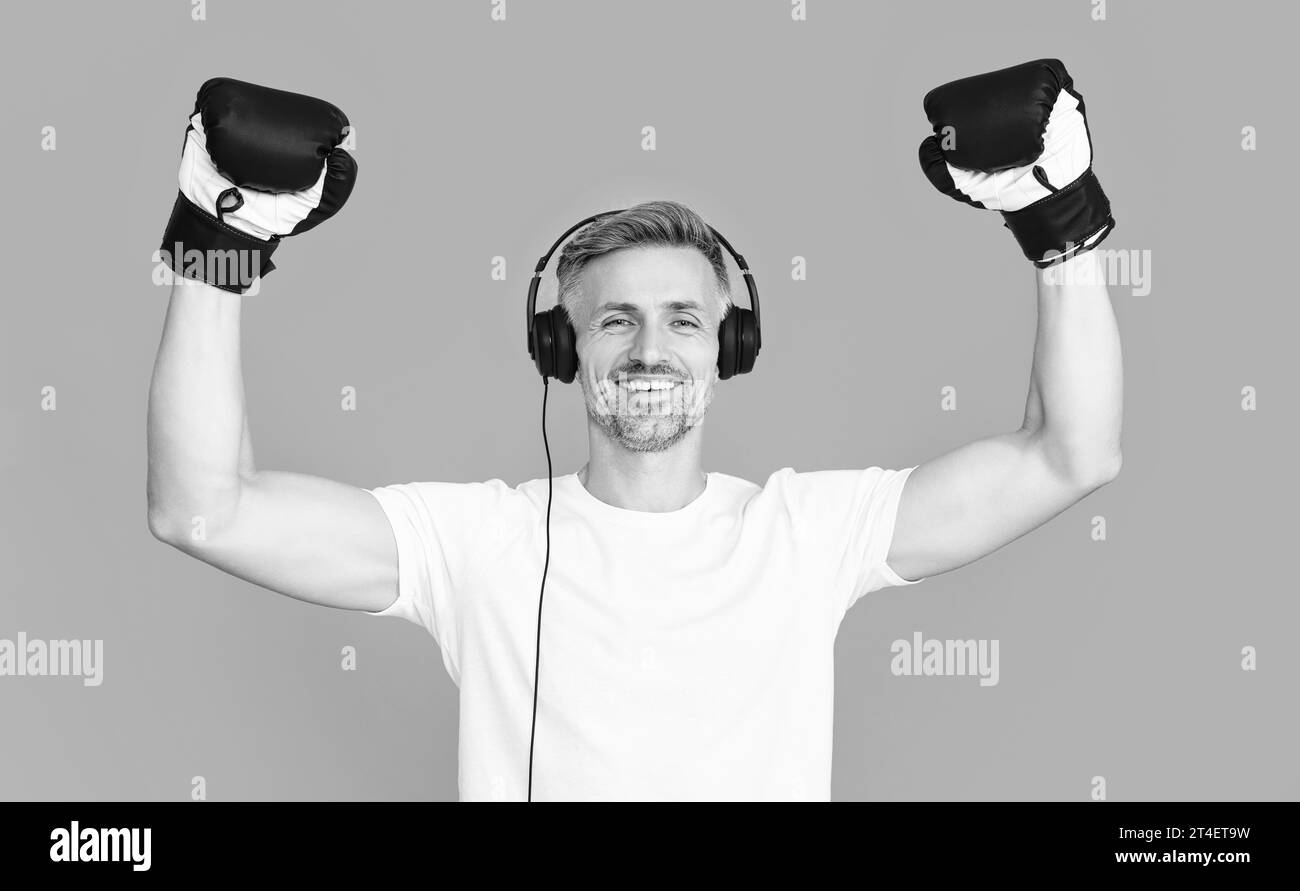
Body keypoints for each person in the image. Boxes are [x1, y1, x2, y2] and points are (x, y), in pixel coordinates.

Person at [147, 61, 1123, 801]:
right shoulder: (479, 546)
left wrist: (1054, 215)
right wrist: (219, 240)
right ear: (560, 346)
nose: (649, 348)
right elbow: (205, 514)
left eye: (684, 319)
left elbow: (1068, 453)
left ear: (727, 346)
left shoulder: (806, 535)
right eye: (615, 318)